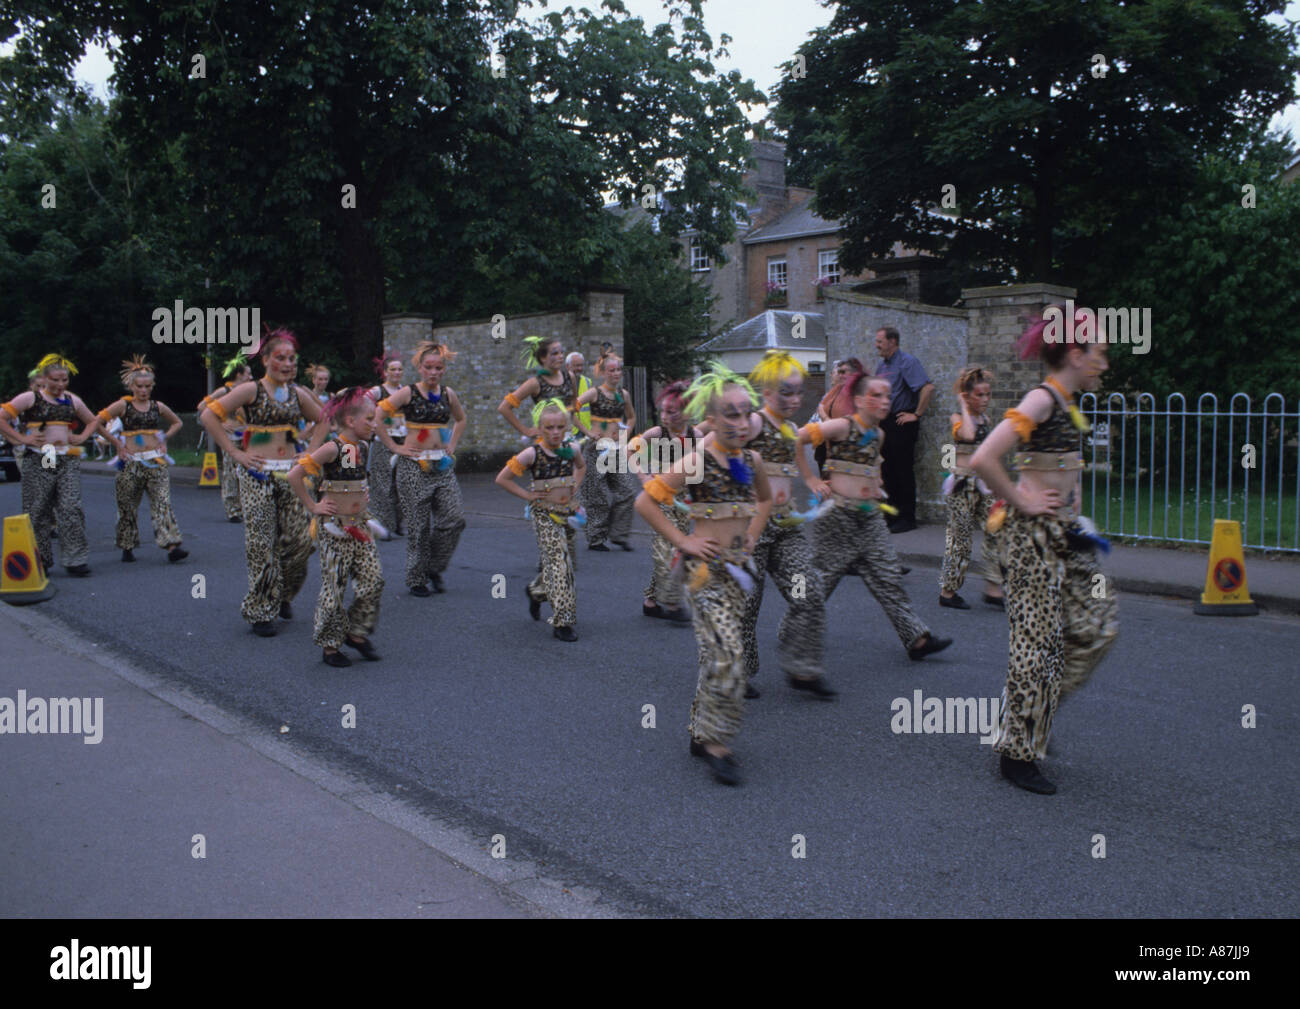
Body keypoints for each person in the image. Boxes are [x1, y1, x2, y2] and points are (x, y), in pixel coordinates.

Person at [970, 306, 1119, 795]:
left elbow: (1057, 470)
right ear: (1075, 353)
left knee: (1097, 628)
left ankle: (1026, 717)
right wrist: (1023, 499)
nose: (1105, 362)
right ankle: (1017, 752)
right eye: (1100, 352)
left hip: (1069, 538)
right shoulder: (1042, 399)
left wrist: (1073, 511)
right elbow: (984, 458)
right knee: (1036, 646)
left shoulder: (1069, 401)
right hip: (1034, 541)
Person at [634, 363, 773, 786]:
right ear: (710, 420)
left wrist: (751, 534)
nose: (741, 421)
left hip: (738, 573)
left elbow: (764, 501)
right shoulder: (696, 461)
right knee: (729, 654)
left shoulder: (751, 459)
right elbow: (646, 502)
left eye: (746, 412)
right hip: (703, 576)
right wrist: (684, 541)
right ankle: (717, 744)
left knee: (716, 653)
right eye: (730, 413)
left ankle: (700, 731)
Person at [798, 369, 951, 660]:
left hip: (868, 517)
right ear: (859, 400)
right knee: (822, 581)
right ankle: (795, 630)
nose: (884, 401)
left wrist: (875, 484)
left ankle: (916, 638)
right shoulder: (840, 426)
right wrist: (811, 480)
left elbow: (873, 465)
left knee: (887, 576)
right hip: (838, 518)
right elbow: (797, 439)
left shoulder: (879, 434)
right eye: (876, 395)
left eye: (887, 396)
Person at [199, 327, 324, 636]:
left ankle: (281, 593)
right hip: (256, 473)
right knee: (261, 543)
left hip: (290, 474)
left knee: (303, 539)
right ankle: (260, 610)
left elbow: (325, 419)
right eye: (280, 358)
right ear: (266, 360)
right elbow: (208, 416)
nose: (288, 364)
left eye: (292, 359)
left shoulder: (299, 393)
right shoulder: (250, 390)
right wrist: (235, 453)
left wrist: (308, 454)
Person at [739, 350, 836, 699]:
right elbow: (708, 439)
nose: (795, 399)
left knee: (807, 590)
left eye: (798, 392)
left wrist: (812, 482)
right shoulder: (751, 423)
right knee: (746, 605)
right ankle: (739, 672)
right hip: (750, 528)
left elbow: (798, 462)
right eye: (786, 392)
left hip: (786, 525)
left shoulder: (792, 428)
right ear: (767, 394)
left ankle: (802, 668)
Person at [288, 388, 385, 667]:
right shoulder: (332, 447)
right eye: (369, 419)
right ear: (351, 422)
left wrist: (360, 494)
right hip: (334, 529)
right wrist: (313, 506)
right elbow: (296, 475)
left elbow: (353, 476)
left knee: (373, 580)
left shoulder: (363, 447)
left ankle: (356, 633)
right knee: (335, 587)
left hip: (360, 525)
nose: (374, 424)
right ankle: (330, 646)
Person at [375, 342, 468, 596]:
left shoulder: (449, 394)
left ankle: (434, 567)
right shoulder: (408, 392)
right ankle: (417, 578)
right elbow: (378, 417)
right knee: (418, 527)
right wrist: (395, 447)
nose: (433, 372)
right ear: (419, 368)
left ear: (444, 369)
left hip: (442, 466)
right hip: (413, 466)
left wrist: (452, 444)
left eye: (438, 368)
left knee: (455, 519)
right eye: (428, 367)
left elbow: (460, 419)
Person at [495, 399, 587, 641]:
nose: (555, 432)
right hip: (544, 514)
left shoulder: (573, 449)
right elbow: (502, 479)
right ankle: (563, 621)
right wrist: (527, 495)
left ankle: (536, 591)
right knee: (560, 563)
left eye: (559, 427)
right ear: (540, 428)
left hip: (568, 513)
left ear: (566, 428)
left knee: (564, 563)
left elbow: (581, 467)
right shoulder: (531, 454)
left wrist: (575, 485)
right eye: (549, 428)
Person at [0, 353, 98, 576]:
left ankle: (75, 559)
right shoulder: (30, 398)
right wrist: (22, 439)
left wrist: (82, 437)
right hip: (42, 456)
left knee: (71, 506)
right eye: (55, 380)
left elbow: (93, 420)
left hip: (67, 457)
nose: (60, 385)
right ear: (44, 379)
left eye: (64, 380)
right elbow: (2, 418)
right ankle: (40, 559)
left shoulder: (73, 400)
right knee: (38, 509)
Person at [95, 355, 188, 564]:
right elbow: (98, 422)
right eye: (139, 386)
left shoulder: (157, 406)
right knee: (127, 505)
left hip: (155, 461)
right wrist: (116, 443)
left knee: (163, 502)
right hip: (130, 462)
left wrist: (163, 439)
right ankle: (127, 546)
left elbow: (177, 423)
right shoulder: (123, 406)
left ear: (152, 386)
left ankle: (172, 545)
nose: (143, 390)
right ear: (131, 386)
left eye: (147, 386)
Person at [627, 380, 696, 623]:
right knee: (667, 549)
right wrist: (644, 477)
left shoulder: (696, 435)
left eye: (671, 412)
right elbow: (629, 452)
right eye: (663, 411)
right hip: (659, 502)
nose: (664, 416)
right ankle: (674, 603)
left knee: (675, 548)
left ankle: (652, 601)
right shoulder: (656, 433)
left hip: (684, 505)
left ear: (687, 411)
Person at [939, 366, 1003, 609]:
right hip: (961, 486)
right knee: (960, 538)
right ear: (967, 396)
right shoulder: (958, 417)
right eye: (979, 395)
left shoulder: (986, 419)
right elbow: (967, 434)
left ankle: (993, 587)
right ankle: (947, 592)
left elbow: (989, 453)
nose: (985, 400)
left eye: (987, 395)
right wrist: (964, 406)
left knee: (997, 529)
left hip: (983, 484)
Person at [574, 349, 638, 551]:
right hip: (596, 449)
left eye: (618, 370)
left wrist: (624, 437)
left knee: (627, 491)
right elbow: (571, 409)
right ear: (602, 373)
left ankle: (619, 535)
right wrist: (587, 432)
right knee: (597, 496)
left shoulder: (623, 395)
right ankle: (596, 538)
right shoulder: (594, 393)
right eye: (611, 370)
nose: (616, 373)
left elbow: (632, 417)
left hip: (615, 449)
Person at [874, 327, 934, 533]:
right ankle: (891, 517)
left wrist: (916, 414)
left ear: (892, 341)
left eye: (880, 341)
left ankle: (907, 518)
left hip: (902, 422)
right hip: (885, 422)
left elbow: (927, 388)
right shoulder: (881, 366)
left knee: (903, 471)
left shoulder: (908, 362)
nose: (877, 345)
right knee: (887, 471)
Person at [200, 354, 253, 523]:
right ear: (238, 375)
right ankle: (232, 509)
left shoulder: (249, 392)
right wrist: (221, 424)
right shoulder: (225, 391)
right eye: (248, 374)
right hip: (230, 437)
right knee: (231, 472)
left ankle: (246, 507)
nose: (251, 377)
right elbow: (202, 407)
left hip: (247, 436)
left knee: (247, 472)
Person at [366, 351, 406, 537]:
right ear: (385, 372)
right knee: (381, 484)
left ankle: (399, 524)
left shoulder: (406, 391)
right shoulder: (376, 392)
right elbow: (362, 407)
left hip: (403, 441)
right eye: (393, 369)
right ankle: (383, 526)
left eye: (399, 369)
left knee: (402, 483)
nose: (396, 373)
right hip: (382, 441)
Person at [566, 351, 592, 438]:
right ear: (567, 366)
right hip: (569, 431)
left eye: (581, 365)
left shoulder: (588, 382)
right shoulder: (561, 384)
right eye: (576, 365)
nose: (580, 368)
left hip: (586, 430)